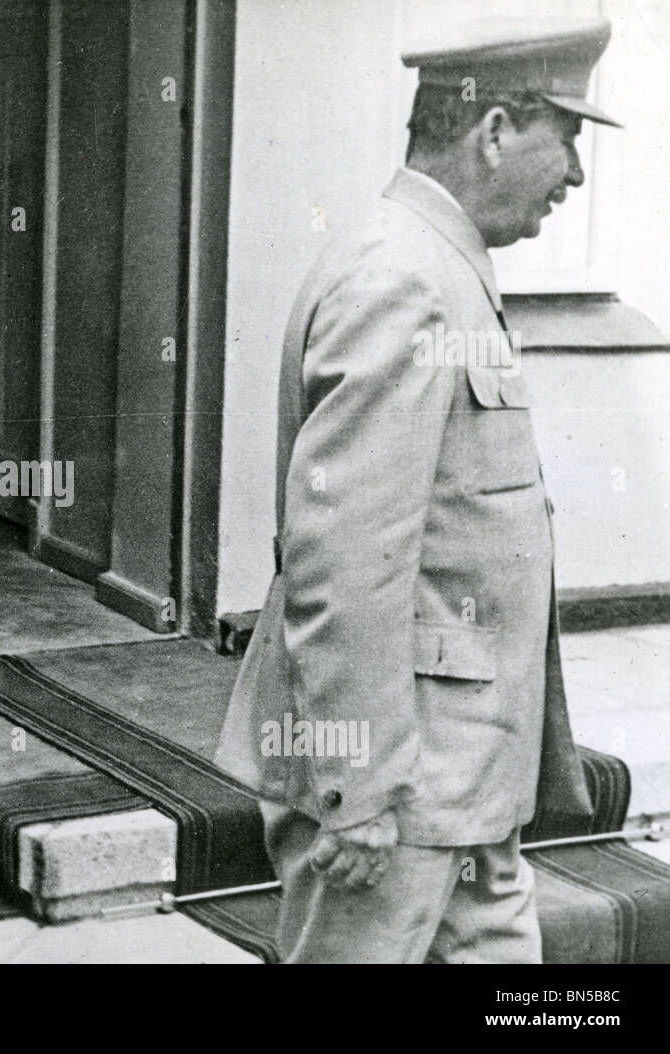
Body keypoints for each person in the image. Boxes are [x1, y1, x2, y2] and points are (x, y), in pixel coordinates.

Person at [214, 17, 619, 964]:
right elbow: (345, 556)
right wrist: (354, 786)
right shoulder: (404, 281)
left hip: (460, 777)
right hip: (396, 792)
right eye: (569, 137)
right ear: (496, 130)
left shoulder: (437, 268)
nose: (576, 174)